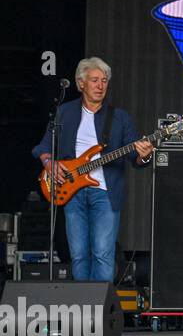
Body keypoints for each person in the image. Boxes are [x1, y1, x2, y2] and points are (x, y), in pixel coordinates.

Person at [32, 57, 155, 282]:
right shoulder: (64, 113)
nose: (100, 85)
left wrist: (144, 155)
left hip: (106, 192)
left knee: (103, 254)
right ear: (81, 84)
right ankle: (83, 309)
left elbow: (135, 158)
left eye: (104, 81)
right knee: (78, 254)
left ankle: (100, 308)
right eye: (95, 80)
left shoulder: (119, 117)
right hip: (71, 190)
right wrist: (50, 164)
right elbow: (42, 147)